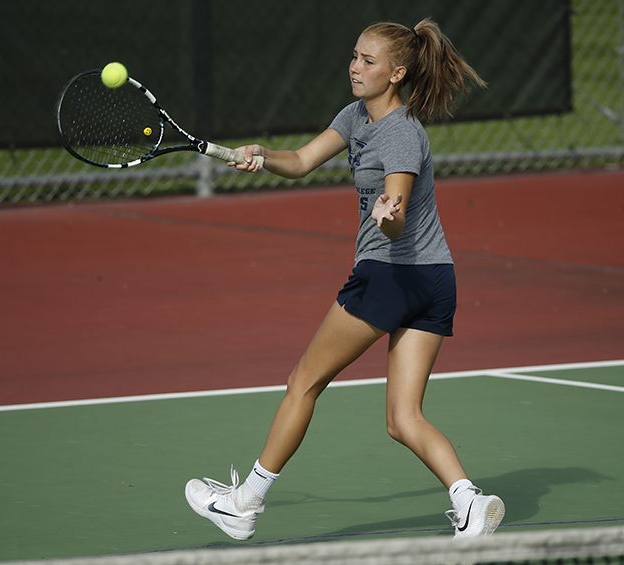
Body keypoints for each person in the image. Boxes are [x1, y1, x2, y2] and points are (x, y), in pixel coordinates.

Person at [184, 18, 503, 541]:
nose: (355, 67)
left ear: (397, 73)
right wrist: (261, 156)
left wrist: (389, 216)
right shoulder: (356, 116)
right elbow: (304, 160)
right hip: (436, 280)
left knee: (303, 383)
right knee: (402, 419)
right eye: (354, 56)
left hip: (390, 276)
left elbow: (396, 207)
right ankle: (470, 503)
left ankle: (244, 504)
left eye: (369, 61)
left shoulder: (401, 134)